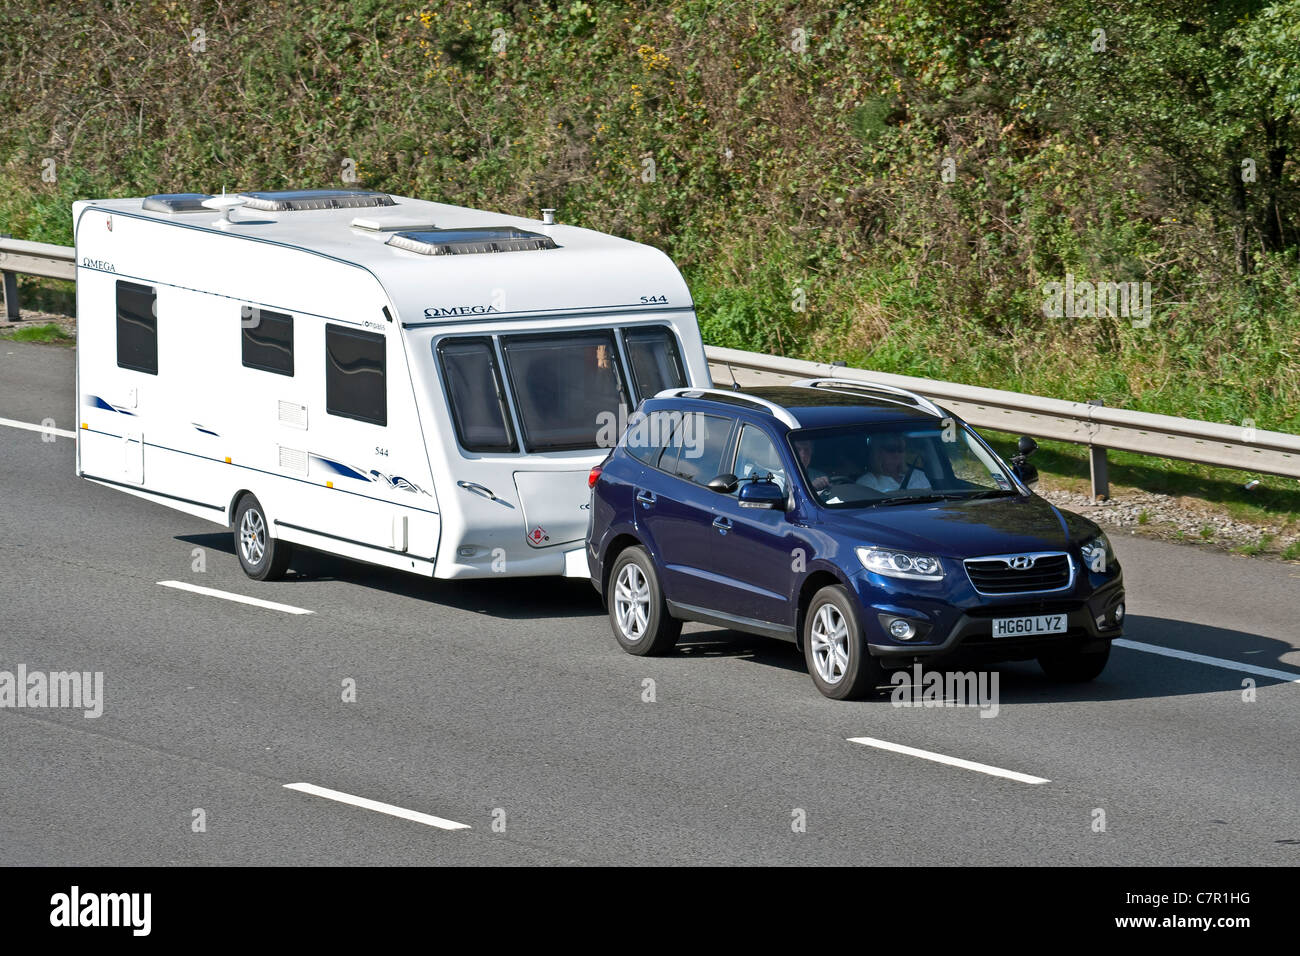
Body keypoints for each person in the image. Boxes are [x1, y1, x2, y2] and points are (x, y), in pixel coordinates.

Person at [857, 435, 931, 492]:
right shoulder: (866, 483)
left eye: (900, 450)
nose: (896, 454)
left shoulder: (919, 476)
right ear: (877, 453)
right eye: (891, 450)